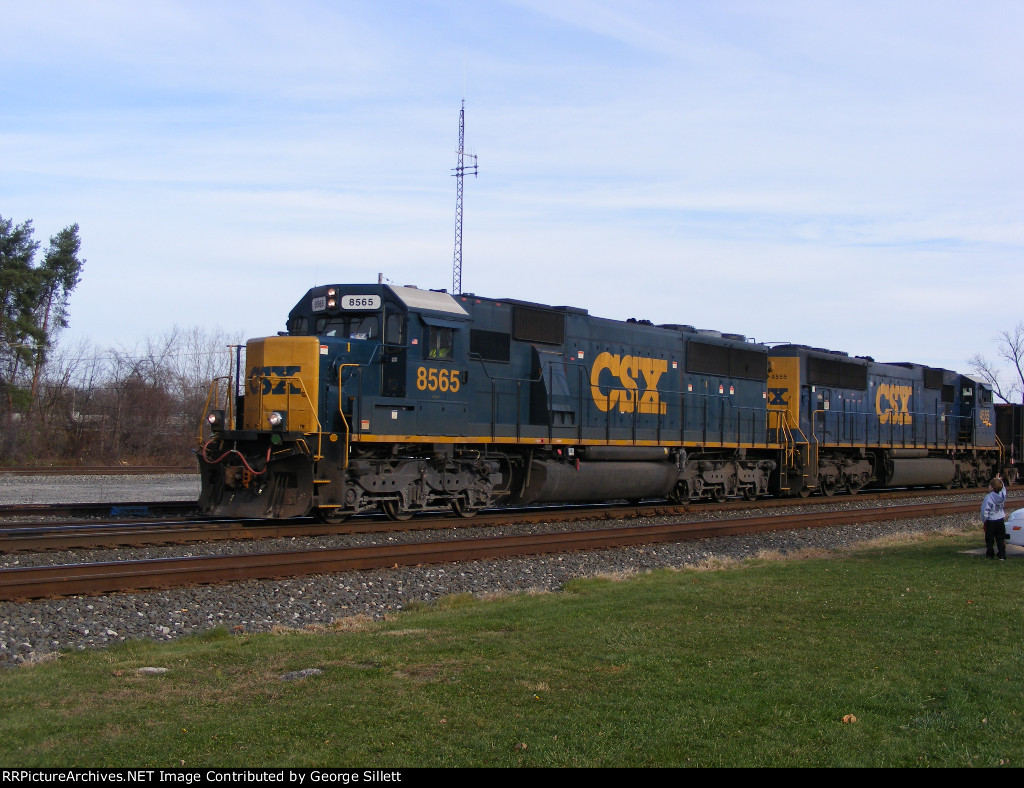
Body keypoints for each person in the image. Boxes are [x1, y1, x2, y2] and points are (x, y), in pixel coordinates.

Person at [981, 475, 1007, 560]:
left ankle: (990, 554)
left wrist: (984, 520)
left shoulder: (989, 497)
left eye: (990, 485)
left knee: (989, 539)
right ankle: (1002, 554)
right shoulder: (1002, 496)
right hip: (1000, 520)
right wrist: (999, 480)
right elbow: (1003, 488)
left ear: (992, 488)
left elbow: (985, 510)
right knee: (1000, 538)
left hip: (991, 521)